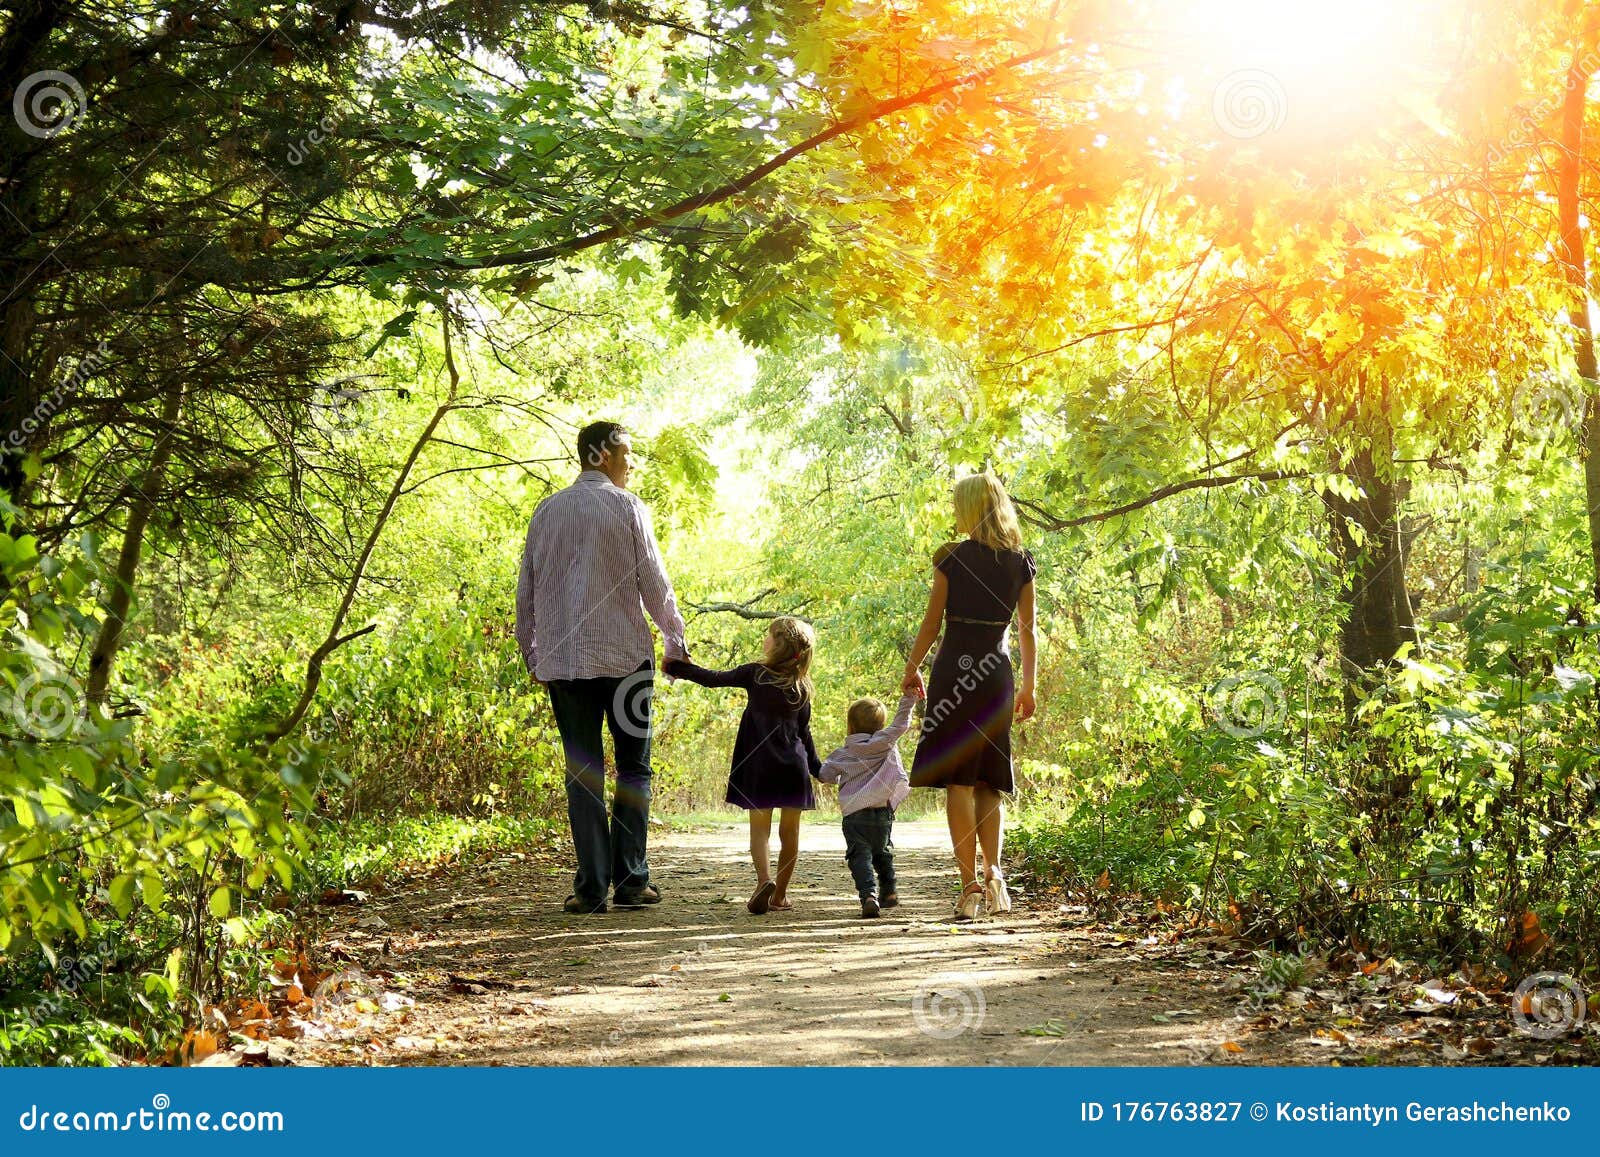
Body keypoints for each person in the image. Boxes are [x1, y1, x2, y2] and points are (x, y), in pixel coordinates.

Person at [515, 421, 688, 915]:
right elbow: (654, 581)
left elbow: (526, 589)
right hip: (628, 663)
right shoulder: (628, 507)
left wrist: (532, 651)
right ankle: (632, 882)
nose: (631, 462)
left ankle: (590, 889)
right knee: (634, 768)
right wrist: (674, 639)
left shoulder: (546, 512)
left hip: (564, 665)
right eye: (626, 453)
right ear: (598, 455)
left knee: (583, 773)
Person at [902, 473, 1038, 922]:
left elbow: (931, 623)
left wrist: (913, 665)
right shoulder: (1021, 562)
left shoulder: (950, 558)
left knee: (959, 781)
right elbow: (1026, 631)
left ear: (970, 508)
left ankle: (969, 888)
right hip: (996, 675)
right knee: (989, 780)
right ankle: (995, 873)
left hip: (954, 672)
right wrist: (1028, 687)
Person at [663, 617, 821, 915]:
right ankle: (780, 897)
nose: (765, 640)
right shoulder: (802, 689)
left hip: (760, 766)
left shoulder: (755, 674)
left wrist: (676, 666)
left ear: (778, 643)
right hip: (793, 769)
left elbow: (712, 678)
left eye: (768, 636)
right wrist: (817, 769)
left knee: (760, 830)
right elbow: (805, 734)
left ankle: (764, 881)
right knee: (790, 834)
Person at [817, 690, 921, 918]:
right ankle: (889, 891)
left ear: (851, 726)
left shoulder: (843, 754)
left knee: (859, 855)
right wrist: (909, 697)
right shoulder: (886, 742)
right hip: (882, 814)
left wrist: (828, 770)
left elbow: (824, 775)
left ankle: (869, 895)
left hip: (854, 817)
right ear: (881, 725)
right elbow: (902, 722)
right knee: (882, 852)